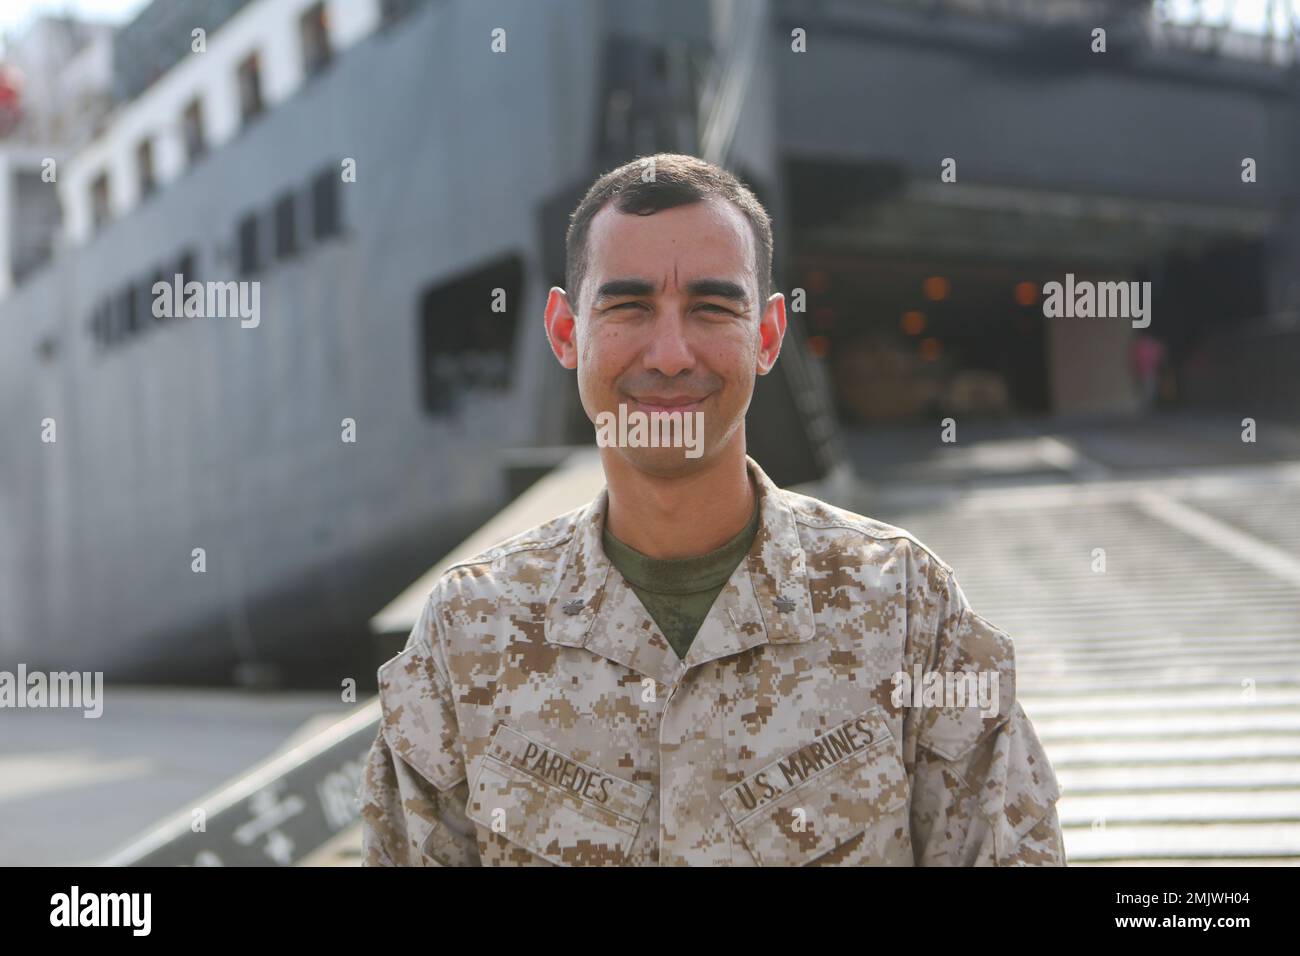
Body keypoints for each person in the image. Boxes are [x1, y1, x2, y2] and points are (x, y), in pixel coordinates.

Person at [357, 153, 1065, 866]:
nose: (669, 354)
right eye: (628, 306)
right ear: (566, 332)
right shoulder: (466, 636)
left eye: (712, 307)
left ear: (766, 337)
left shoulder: (908, 609)